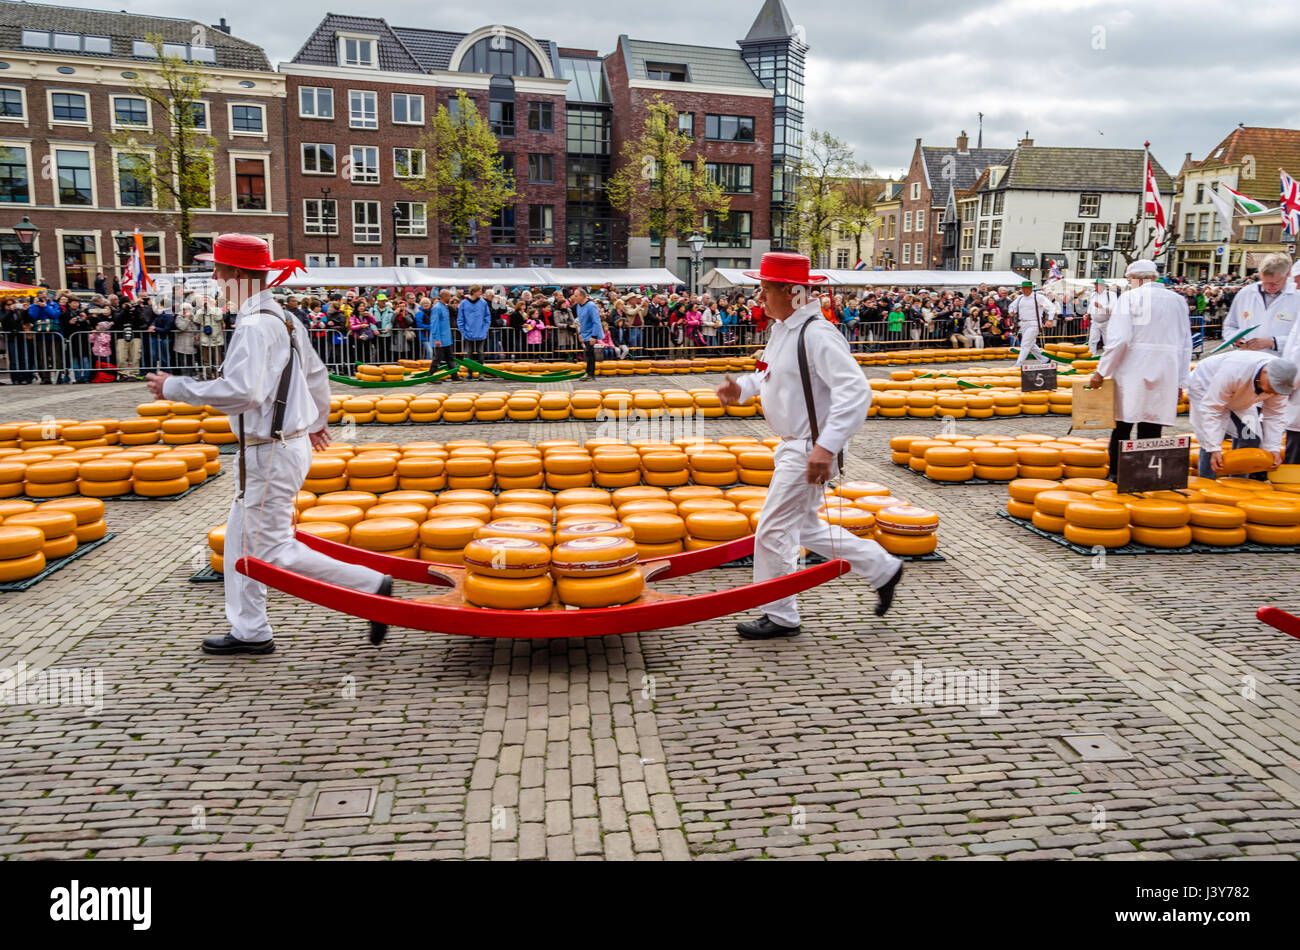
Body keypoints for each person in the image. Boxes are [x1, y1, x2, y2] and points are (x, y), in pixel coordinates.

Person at [145, 234, 392, 655]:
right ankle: (249, 630)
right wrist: (314, 420)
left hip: (269, 449)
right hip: (276, 446)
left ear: (238, 274)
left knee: (271, 548)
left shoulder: (258, 325)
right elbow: (316, 374)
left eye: (219, 272)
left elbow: (244, 392)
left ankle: (370, 584)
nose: (216, 279)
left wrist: (176, 387)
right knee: (242, 544)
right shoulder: (284, 317)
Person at [716, 252, 904, 641]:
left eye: (766, 290)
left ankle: (780, 614)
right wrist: (743, 389)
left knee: (771, 530)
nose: (759, 299)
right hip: (794, 446)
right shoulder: (784, 329)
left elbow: (855, 392)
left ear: (794, 292)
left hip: (808, 449)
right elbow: (769, 376)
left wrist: (825, 447)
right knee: (804, 526)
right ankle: (882, 566)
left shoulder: (817, 334)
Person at [1088, 260, 1194, 481]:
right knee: (1152, 427)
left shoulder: (1129, 298)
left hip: (1133, 368)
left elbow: (1120, 340)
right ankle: (1145, 475)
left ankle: (1118, 474)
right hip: (1166, 369)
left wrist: (1101, 371)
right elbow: (1186, 343)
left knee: (1123, 425)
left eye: (1129, 280)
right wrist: (1181, 382)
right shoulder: (1178, 301)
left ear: (1135, 278)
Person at [1187, 350, 1295, 477]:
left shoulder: (1279, 384)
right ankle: (1207, 481)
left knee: (1251, 436)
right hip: (1205, 389)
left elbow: (1275, 416)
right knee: (1210, 440)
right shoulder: (1234, 371)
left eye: (1279, 390)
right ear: (1265, 373)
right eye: (1274, 388)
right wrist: (1214, 448)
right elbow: (1213, 410)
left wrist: (1273, 448)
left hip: (1242, 400)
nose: (1276, 393)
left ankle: (1239, 482)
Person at [1222, 252, 1298, 354]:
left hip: (1280, 362)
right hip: (1248, 359)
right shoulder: (1245, 294)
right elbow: (1229, 326)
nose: (1268, 287)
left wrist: (1273, 342)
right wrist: (1236, 339)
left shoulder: (1297, 297)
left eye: (1275, 283)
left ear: (1288, 274)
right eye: (1264, 282)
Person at [1008, 279, 1058, 366]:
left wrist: (1050, 320)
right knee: (1031, 343)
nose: (1024, 290)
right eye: (1023, 288)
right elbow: (1012, 306)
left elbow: (1052, 307)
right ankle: (1045, 359)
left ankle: (1018, 364)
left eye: (1026, 288)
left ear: (1030, 288)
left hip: (1034, 324)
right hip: (1023, 323)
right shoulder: (1020, 298)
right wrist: (1011, 311)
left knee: (1025, 343)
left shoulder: (1038, 297)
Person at [456, 284, 491, 379]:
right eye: (479, 291)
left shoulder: (483, 303)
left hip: (480, 332)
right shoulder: (463, 303)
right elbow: (460, 319)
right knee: (468, 353)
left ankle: (480, 373)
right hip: (468, 332)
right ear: (474, 292)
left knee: (480, 353)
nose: (481, 292)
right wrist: (463, 331)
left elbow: (487, 317)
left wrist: (484, 329)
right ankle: (469, 373)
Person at [574, 287, 602, 378]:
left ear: (582, 296)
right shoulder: (578, 305)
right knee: (587, 353)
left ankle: (591, 374)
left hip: (591, 332)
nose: (574, 297)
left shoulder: (591, 306)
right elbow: (581, 321)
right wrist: (580, 333)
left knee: (590, 352)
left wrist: (594, 336)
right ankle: (588, 372)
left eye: (576, 296)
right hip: (584, 332)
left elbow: (596, 321)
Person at [1086, 278, 1118, 355]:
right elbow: (1091, 306)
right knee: (1092, 341)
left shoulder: (1110, 294)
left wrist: (1101, 307)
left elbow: (1113, 308)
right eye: (1095, 285)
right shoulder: (1093, 294)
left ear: (1102, 286)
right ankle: (1091, 357)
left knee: (1107, 341)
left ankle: (1109, 357)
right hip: (1095, 322)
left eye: (1097, 286)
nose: (1095, 287)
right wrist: (1087, 313)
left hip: (1106, 322)